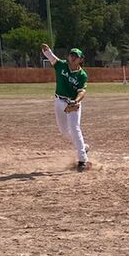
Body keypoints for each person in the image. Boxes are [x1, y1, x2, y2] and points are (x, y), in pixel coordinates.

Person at [41, 43, 91, 171]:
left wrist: (76, 101)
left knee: (75, 128)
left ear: (81, 59)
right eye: (71, 55)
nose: (73, 57)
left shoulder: (82, 75)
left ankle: (82, 160)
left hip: (72, 104)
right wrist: (47, 51)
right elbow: (53, 59)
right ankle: (83, 147)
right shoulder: (62, 65)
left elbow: (82, 91)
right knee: (64, 131)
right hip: (59, 101)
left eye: (76, 56)